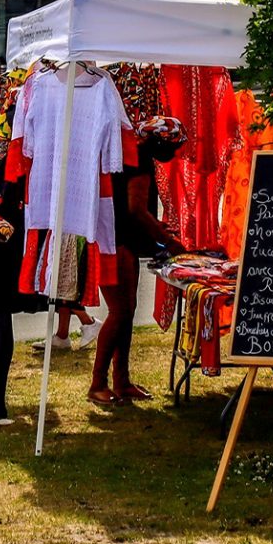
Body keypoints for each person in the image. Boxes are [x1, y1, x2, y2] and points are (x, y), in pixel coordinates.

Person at [89, 115, 187, 407]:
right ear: (159, 142)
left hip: (115, 237)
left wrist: (156, 229)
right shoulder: (139, 158)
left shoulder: (126, 150)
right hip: (117, 240)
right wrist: (169, 242)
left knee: (126, 311)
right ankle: (97, 384)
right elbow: (135, 209)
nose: (173, 154)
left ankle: (122, 380)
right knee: (119, 311)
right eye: (173, 147)